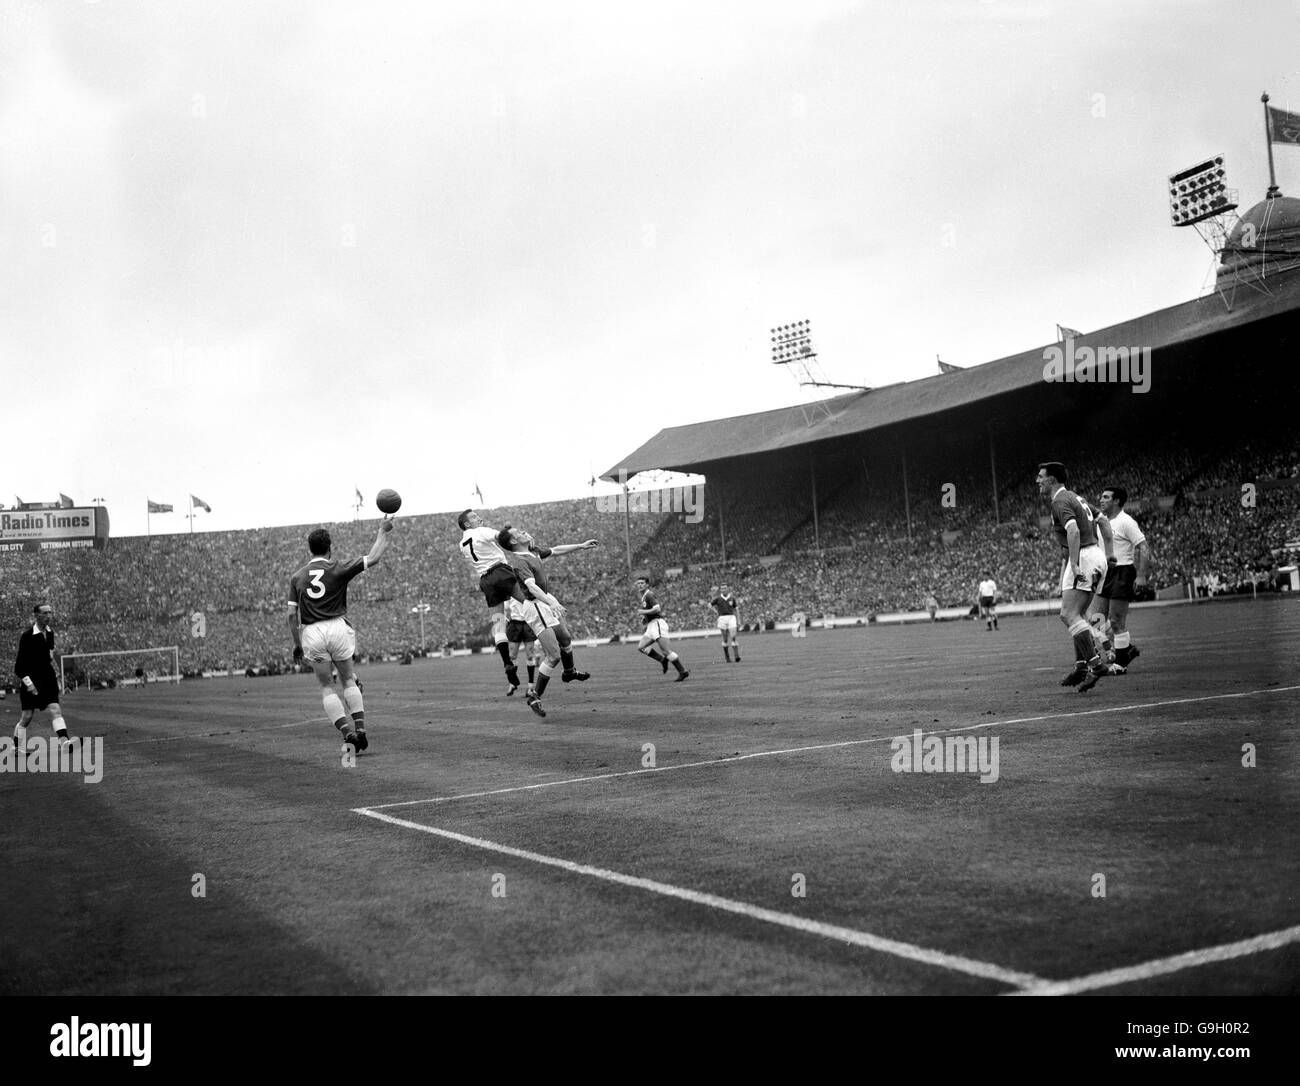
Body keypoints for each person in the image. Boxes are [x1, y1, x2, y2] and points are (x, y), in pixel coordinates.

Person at [457, 510, 596, 693]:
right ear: (467, 524)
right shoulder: (481, 531)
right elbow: (503, 536)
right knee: (534, 599)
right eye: (473, 517)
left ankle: (507, 663)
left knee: (498, 622)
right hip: (501, 571)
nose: (478, 517)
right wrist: (511, 532)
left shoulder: (462, 544)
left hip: (485, 580)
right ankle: (558, 652)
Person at [287, 519, 393, 752]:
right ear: (330, 547)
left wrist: (297, 644)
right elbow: (373, 558)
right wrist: (382, 532)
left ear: (310, 549)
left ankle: (348, 734)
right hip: (337, 626)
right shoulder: (338, 567)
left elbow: (291, 615)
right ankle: (361, 729)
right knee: (348, 679)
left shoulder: (297, 577)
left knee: (326, 686)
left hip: (312, 631)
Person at [499, 526, 591, 717]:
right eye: (519, 533)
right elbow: (531, 587)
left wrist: (581, 546)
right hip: (536, 605)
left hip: (544, 600)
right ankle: (534, 695)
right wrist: (551, 602)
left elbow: (556, 550)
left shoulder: (532, 552)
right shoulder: (519, 561)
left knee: (565, 638)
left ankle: (569, 672)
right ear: (514, 542)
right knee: (554, 655)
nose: (524, 532)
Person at [1036, 462, 1109, 693]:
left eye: (1040, 477)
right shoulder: (1079, 498)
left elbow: (1074, 531)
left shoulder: (1060, 501)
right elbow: (1104, 522)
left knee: (1067, 614)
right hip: (1096, 556)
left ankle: (1095, 665)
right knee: (1077, 616)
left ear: (1052, 479)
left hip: (1085, 557)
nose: (1037, 481)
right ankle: (1081, 666)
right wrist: (1112, 555)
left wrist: (1075, 565)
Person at [1089, 485, 1150, 673]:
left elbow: (1144, 547)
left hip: (1122, 572)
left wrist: (1141, 575)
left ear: (1116, 501)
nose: (1101, 500)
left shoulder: (1126, 522)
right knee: (1095, 620)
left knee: (1116, 621)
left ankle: (1121, 664)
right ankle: (1127, 648)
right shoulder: (1102, 523)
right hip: (1105, 573)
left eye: (1106, 497)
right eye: (1101, 496)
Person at [14, 603, 73, 749]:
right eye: (45, 613)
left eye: (50, 613)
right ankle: (15, 747)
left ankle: (64, 742)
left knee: (55, 709)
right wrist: (29, 684)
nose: (48, 616)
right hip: (32, 680)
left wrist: (56, 674)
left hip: (48, 679)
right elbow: (19, 667)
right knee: (26, 717)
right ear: (36, 615)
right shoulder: (27, 637)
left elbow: (48, 656)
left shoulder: (50, 632)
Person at [635, 576, 688, 681]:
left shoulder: (649, 594)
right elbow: (651, 611)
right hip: (651, 625)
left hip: (657, 624)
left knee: (666, 651)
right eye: (638, 583)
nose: (640, 585)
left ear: (647, 585)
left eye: (642, 583)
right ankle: (662, 660)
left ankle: (683, 672)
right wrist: (645, 618)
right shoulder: (644, 597)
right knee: (641, 647)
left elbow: (657, 609)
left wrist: (643, 612)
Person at [710, 583, 741, 662]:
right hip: (722, 618)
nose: (724, 590)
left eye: (725, 588)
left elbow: (736, 609)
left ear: (727, 589)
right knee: (725, 639)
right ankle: (727, 657)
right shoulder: (718, 598)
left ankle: (737, 656)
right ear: (721, 590)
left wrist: (739, 620)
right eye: (722, 588)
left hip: (731, 617)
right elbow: (709, 605)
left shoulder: (732, 598)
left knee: (733, 636)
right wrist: (716, 611)